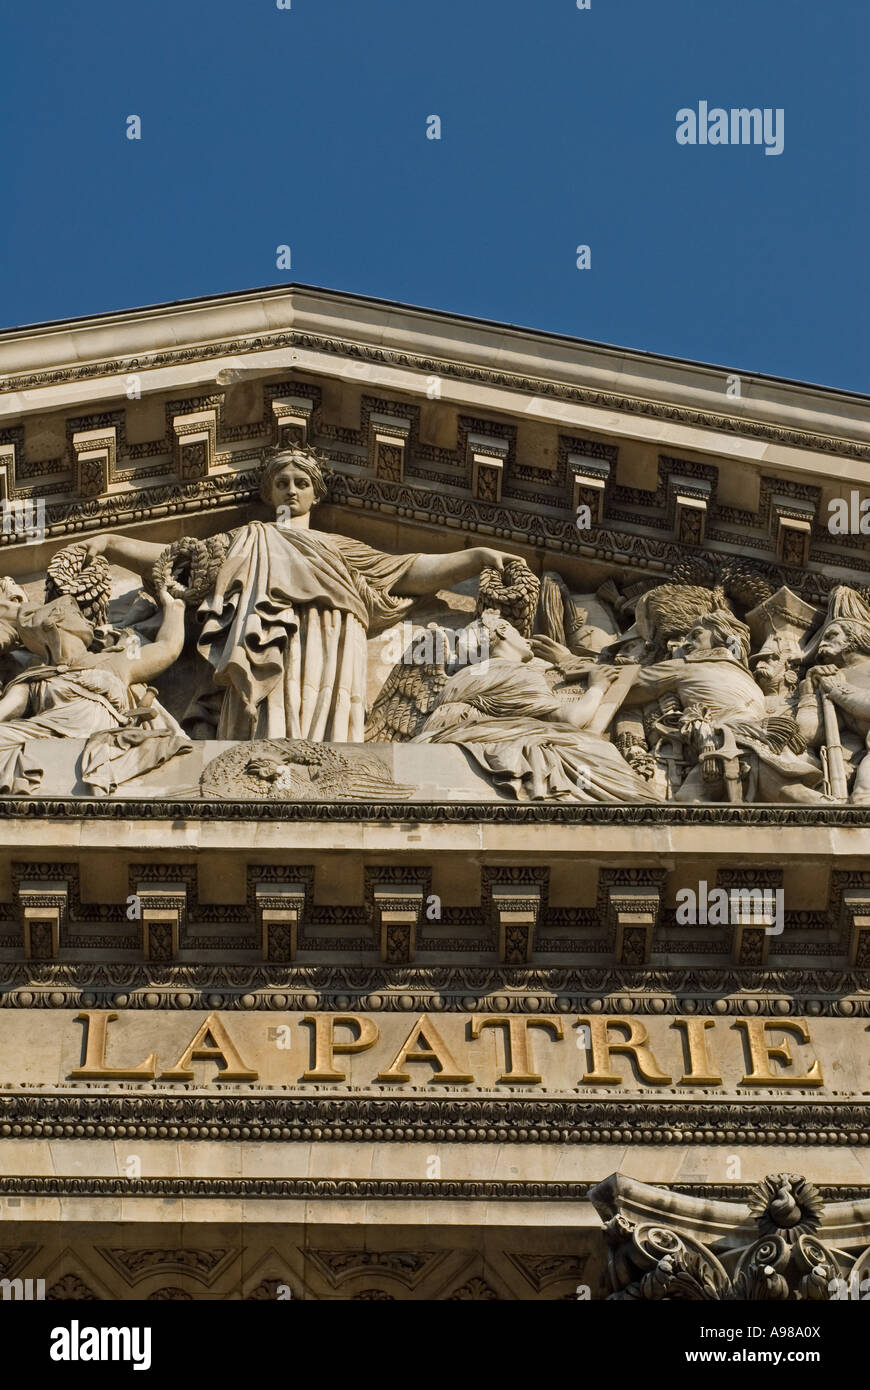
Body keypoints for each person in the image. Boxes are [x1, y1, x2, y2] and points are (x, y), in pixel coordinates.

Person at [81, 447, 513, 742]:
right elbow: (179, 559)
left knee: (323, 713)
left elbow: (410, 570)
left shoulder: (338, 548)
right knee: (265, 706)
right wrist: (114, 543)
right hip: (265, 640)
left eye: (301, 482)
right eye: (283, 482)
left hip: (331, 639)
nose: (291, 489)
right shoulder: (248, 539)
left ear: (316, 493)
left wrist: (473, 557)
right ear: (269, 492)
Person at [414, 611, 659, 803]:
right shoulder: (514, 671)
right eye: (519, 633)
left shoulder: (467, 674)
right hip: (490, 741)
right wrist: (598, 686)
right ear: (502, 630)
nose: (525, 639)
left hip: (450, 740)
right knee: (598, 751)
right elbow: (572, 720)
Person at [0, 590, 187, 793]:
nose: (88, 620)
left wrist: (174, 606)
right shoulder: (37, 678)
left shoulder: (114, 662)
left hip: (100, 732)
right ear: (55, 621)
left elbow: (168, 647)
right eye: (77, 615)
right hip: (45, 729)